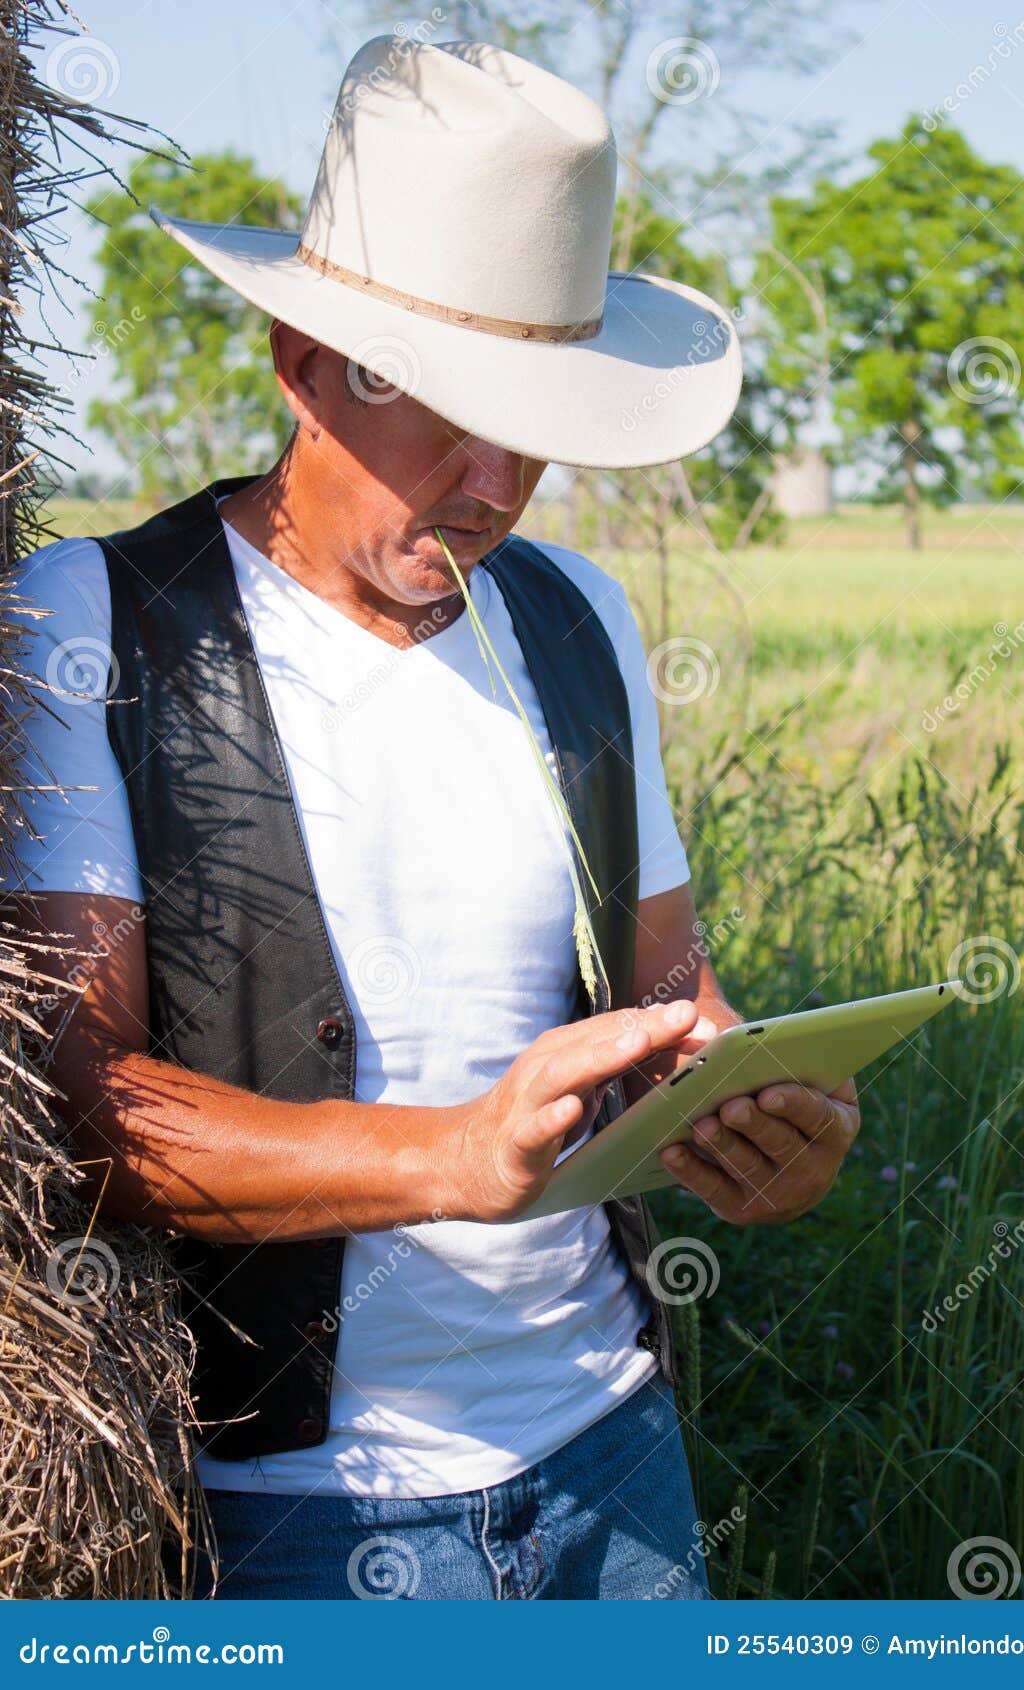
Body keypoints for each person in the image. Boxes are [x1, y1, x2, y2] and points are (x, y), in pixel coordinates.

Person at [2, 35, 860, 1600]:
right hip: (299, 1515)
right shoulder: (97, 622)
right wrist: (445, 1156)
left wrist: (750, 1113)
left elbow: (670, 986)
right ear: (299, 360)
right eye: (447, 414)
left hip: (616, 1463)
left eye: (533, 422)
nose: (495, 479)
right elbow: (82, 1109)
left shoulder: (578, 620)